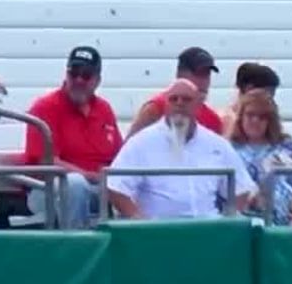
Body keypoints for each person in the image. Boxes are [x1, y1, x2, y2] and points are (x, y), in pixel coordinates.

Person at [107, 78, 254, 221]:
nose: (179, 104)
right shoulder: (141, 143)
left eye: (186, 99)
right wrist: (138, 218)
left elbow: (241, 188)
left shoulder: (217, 144)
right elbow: (114, 186)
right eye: (173, 99)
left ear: (198, 106)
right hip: (158, 229)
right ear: (166, 105)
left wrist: (228, 220)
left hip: (208, 228)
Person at [22, 46, 120, 229]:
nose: (79, 80)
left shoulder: (104, 109)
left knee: (132, 184)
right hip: (50, 187)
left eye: (86, 75)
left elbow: (119, 155)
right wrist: (86, 175)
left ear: (97, 80)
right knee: (75, 183)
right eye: (73, 73)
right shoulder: (45, 107)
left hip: (100, 185)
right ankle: (76, 242)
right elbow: (46, 161)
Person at [229, 90, 292, 227]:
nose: (255, 120)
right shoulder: (228, 149)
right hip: (246, 224)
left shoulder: (288, 148)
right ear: (241, 117)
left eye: (262, 117)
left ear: (270, 121)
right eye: (250, 115)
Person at [126, 46, 224, 139]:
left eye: (207, 74)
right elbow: (131, 147)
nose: (203, 81)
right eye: (198, 74)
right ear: (180, 74)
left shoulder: (213, 121)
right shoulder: (155, 109)